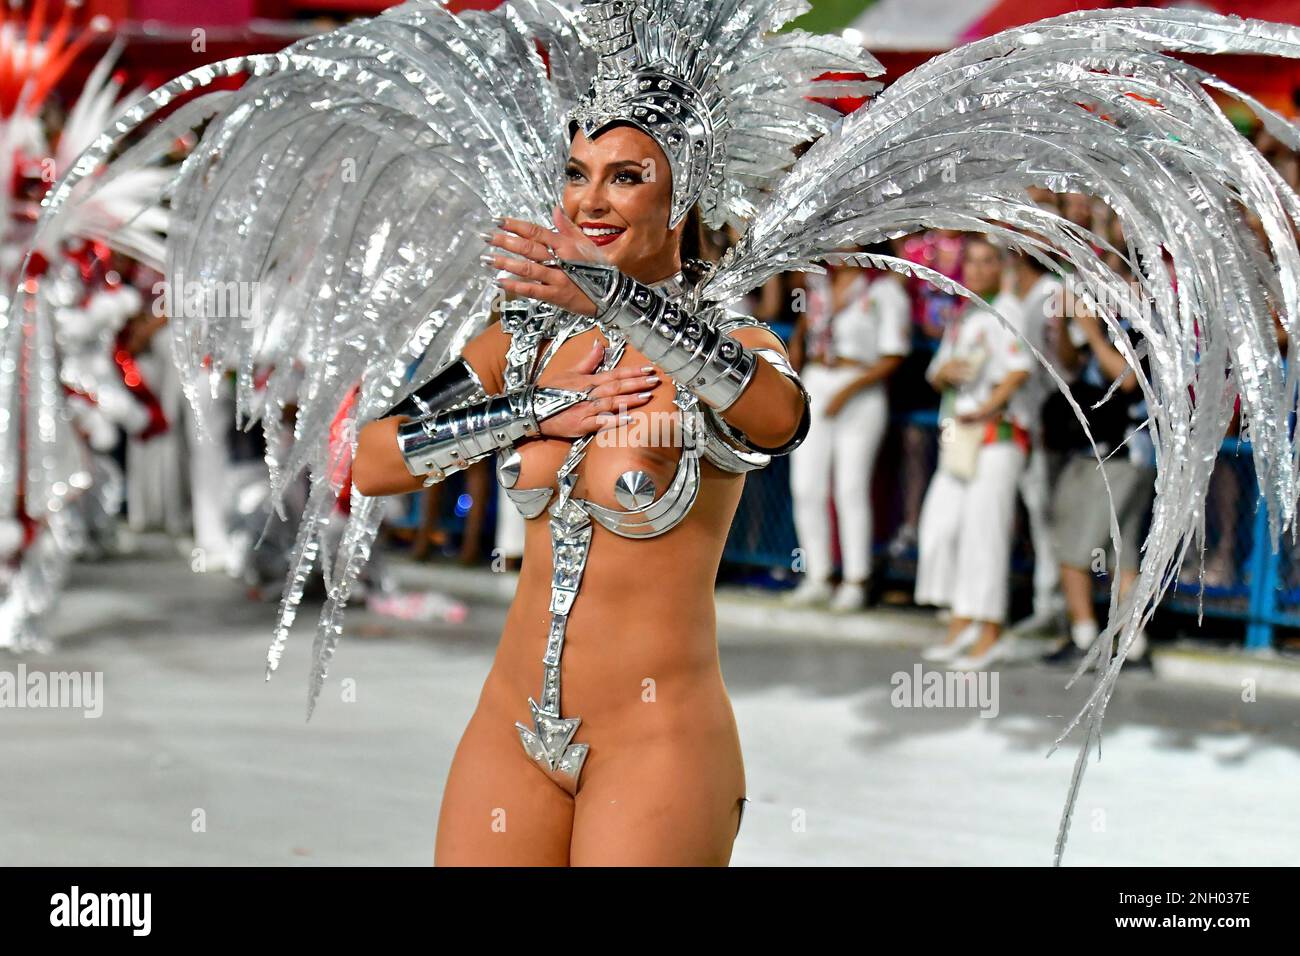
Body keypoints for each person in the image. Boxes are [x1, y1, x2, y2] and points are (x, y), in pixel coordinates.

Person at [27, 0, 1300, 868]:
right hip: (506, 722)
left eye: (622, 177)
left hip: (658, 735)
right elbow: (363, 461)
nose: (588, 200)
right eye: (577, 175)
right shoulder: (517, 341)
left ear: (681, 197)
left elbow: (779, 415)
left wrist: (614, 307)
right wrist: (537, 404)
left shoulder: (727, 351)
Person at [915, 237, 1034, 668]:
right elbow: (937, 374)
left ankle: (989, 629)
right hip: (959, 436)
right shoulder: (963, 312)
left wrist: (988, 408)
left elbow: (1020, 369)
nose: (979, 270)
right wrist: (944, 372)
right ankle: (961, 618)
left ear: (1000, 268)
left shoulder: (1009, 309)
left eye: (988, 262)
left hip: (997, 436)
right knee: (941, 527)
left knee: (986, 534)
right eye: (973, 262)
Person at [1039, 258, 1155, 667]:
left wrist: (1090, 329)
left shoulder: (1141, 332)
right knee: (1121, 556)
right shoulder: (1106, 331)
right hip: (1114, 457)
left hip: (1116, 457)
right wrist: (1069, 325)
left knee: (1075, 550)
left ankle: (1085, 635)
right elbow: (1071, 366)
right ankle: (1133, 644)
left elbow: (1125, 380)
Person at [787, 244, 911, 610]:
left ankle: (856, 578)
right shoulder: (817, 283)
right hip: (817, 380)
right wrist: (796, 349)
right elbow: (806, 327)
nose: (838, 247)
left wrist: (849, 390)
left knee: (850, 488)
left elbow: (894, 354)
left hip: (861, 385)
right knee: (806, 485)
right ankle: (817, 575)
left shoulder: (883, 289)